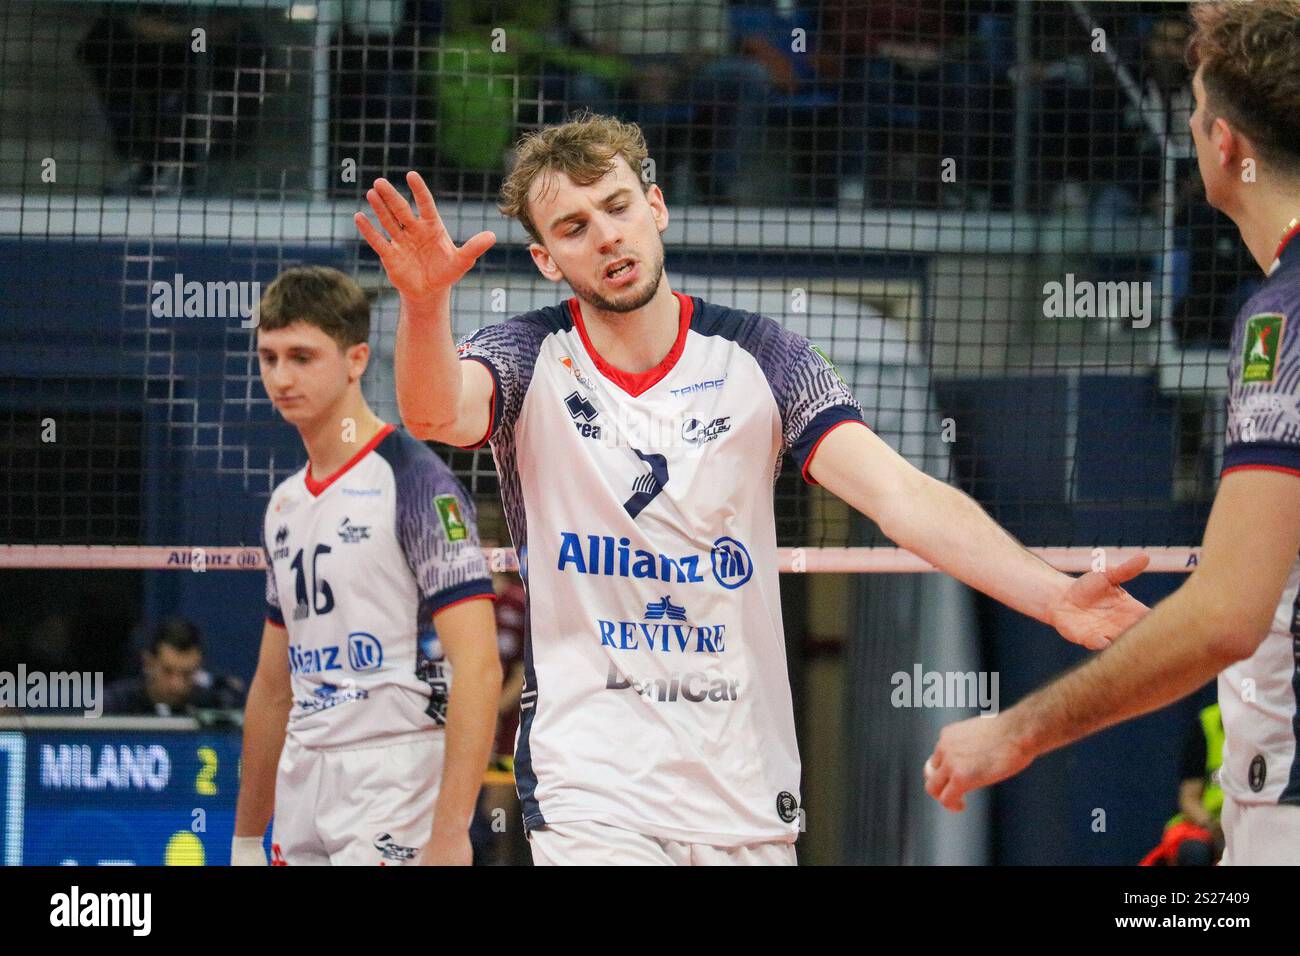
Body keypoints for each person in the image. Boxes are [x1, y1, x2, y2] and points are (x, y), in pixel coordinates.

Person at [354, 114, 1149, 866]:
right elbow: (434, 412)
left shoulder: (766, 359)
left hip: (742, 777)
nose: (605, 235)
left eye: (617, 206)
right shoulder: (527, 356)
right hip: (593, 775)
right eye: (573, 227)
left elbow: (901, 496)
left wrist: (1054, 596)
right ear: (546, 259)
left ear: (655, 207)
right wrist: (425, 307)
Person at [923, 0, 1300, 866]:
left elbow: (1224, 620)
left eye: (1196, 113)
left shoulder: (1282, 321)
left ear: (1225, 144)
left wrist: (1016, 731)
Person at [231, 266, 501, 866]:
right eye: (269, 357)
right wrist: (246, 839)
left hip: (395, 771)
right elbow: (273, 689)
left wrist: (451, 831)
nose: (281, 376)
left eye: (302, 356)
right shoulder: (284, 504)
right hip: (306, 770)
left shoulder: (414, 481)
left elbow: (479, 669)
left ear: (356, 360)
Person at [103, 617, 245, 716]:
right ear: (148, 663)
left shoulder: (214, 704)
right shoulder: (115, 704)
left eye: (187, 674)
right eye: (167, 671)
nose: (177, 685)